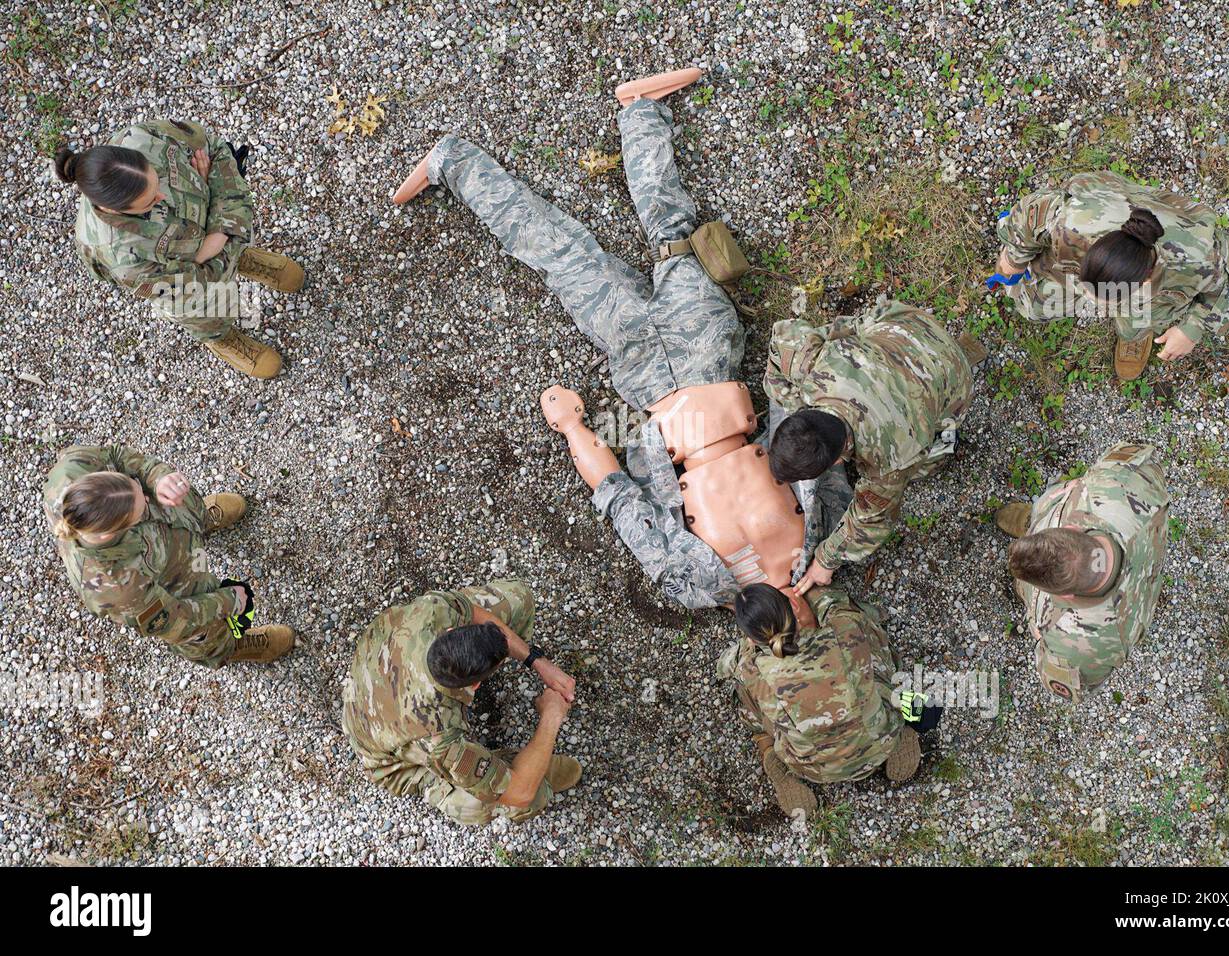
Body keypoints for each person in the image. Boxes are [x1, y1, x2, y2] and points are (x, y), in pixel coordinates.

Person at [393, 68, 848, 618]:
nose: (803, 630)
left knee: (564, 259)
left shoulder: (697, 587)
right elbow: (815, 432)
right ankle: (640, 110)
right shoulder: (832, 540)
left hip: (649, 380)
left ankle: (454, 163)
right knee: (674, 238)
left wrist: (571, 427)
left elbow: (618, 495)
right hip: (710, 356)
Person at [764, 297, 983, 594]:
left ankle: (943, 433)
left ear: (834, 463)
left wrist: (825, 562)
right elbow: (782, 337)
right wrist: (787, 398)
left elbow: (871, 522)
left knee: (925, 464)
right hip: (905, 325)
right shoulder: (818, 369)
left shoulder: (889, 459)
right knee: (844, 333)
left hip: (953, 375)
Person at [56, 119, 306, 378]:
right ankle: (220, 337)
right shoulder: (121, 257)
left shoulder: (142, 137)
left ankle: (241, 259)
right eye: (150, 202)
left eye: (157, 180)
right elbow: (187, 289)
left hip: (211, 235)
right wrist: (219, 237)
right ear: (115, 210)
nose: (161, 196)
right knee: (204, 310)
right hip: (191, 284)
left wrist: (219, 233)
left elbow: (217, 150)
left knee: (235, 243)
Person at [342, 579, 581, 827]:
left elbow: (473, 611)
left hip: (373, 678)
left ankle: (527, 762)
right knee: (490, 803)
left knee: (518, 598)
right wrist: (551, 716)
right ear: (475, 686)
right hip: (382, 750)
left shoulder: (430, 612)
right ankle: (535, 771)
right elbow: (520, 793)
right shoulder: (441, 740)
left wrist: (537, 661)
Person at [42, 444, 293, 667]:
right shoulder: (117, 587)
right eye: (142, 508)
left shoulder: (72, 468)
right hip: (178, 585)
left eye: (137, 485)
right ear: (114, 532)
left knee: (183, 513)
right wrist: (227, 601)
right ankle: (229, 648)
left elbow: (117, 455)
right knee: (203, 636)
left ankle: (201, 519)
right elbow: (177, 621)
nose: (145, 494)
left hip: (175, 528)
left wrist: (157, 478)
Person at [991, 170, 1229, 381]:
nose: (1096, 306)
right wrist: (1013, 257)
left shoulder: (1199, 259)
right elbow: (1028, 216)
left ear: (1144, 281)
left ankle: (1134, 336)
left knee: (1139, 320)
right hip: (1106, 207)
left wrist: (1192, 329)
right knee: (1034, 307)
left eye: (1104, 302)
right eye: (1090, 293)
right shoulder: (1075, 223)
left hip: (1160, 277)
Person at [716, 582, 941, 817]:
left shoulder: (752, 669)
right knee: (874, 659)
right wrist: (808, 592)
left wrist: (749, 645)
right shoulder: (843, 632)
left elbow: (725, 666)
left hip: (814, 769)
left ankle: (771, 758)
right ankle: (901, 732)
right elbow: (841, 606)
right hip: (878, 742)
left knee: (748, 697)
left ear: (752, 639)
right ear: (791, 607)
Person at [994, 442, 1170, 703]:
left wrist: (1042, 628)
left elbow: (1060, 682)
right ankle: (1033, 524)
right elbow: (1149, 462)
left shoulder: (1081, 644)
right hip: (1148, 555)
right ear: (1077, 529)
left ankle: (1031, 534)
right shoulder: (1117, 480)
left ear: (1064, 596)